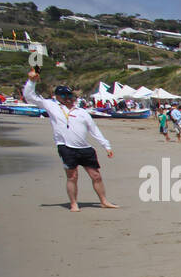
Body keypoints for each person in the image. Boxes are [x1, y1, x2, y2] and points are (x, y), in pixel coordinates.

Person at [22, 68, 117, 211]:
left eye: (70, 96)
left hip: (85, 148)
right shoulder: (52, 106)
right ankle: (74, 204)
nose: (69, 99)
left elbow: (94, 130)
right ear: (58, 97)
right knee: (72, 176)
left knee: (96, 176)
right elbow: (30, 96)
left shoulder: (82, 112)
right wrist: (31, 81)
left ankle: (104, 201)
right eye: (65, 96)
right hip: (66, 147)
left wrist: (106, 146)